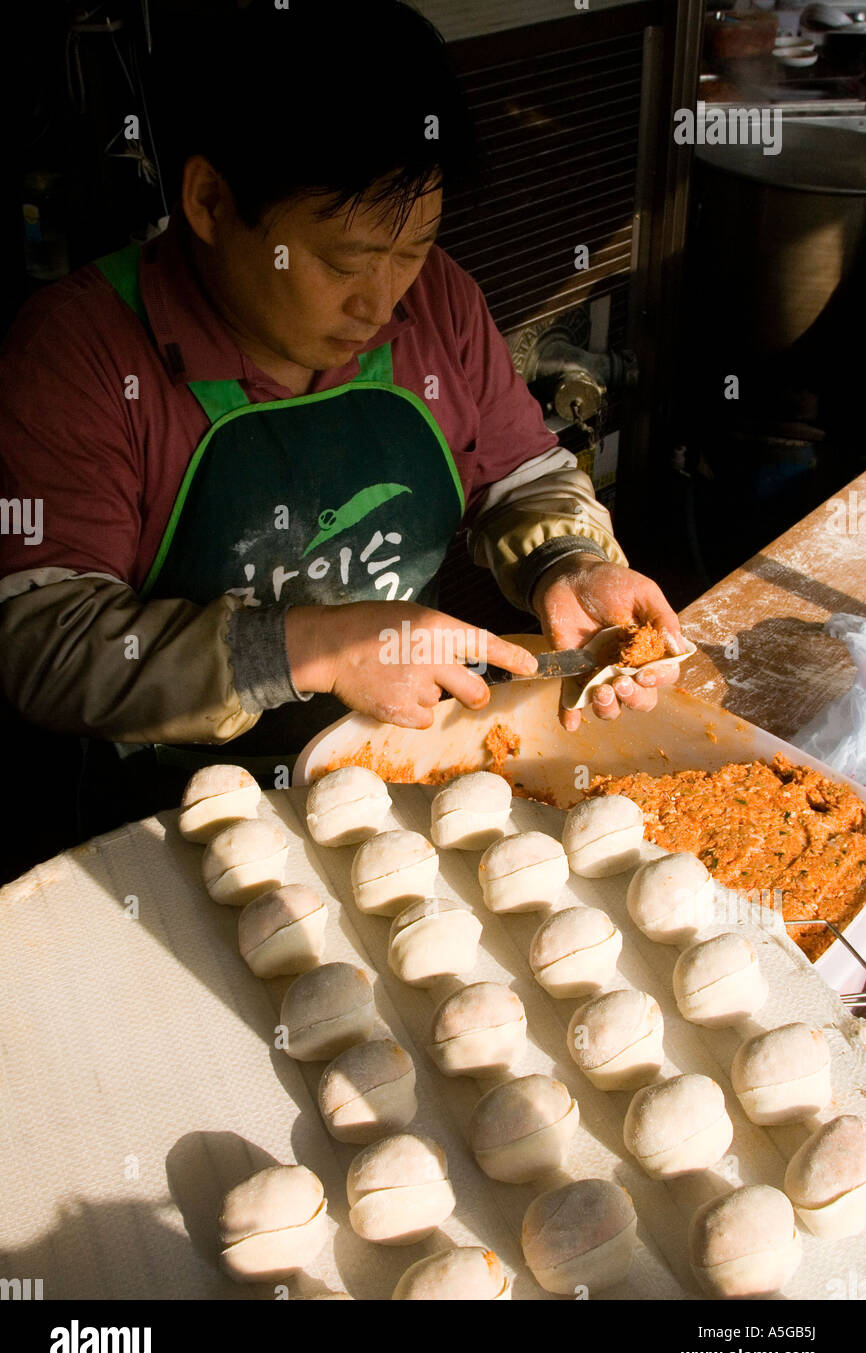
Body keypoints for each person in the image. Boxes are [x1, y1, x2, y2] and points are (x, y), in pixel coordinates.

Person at [0, 0, 685, 841]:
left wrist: (568, 564)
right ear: (211, 202)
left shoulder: (439, 300)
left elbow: (523, 479)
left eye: (414, 249)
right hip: (183, 815)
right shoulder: (81, 351)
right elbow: (44, 645)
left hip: (411, 771)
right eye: (344, 262)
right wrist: (310, 648)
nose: (383, 299)